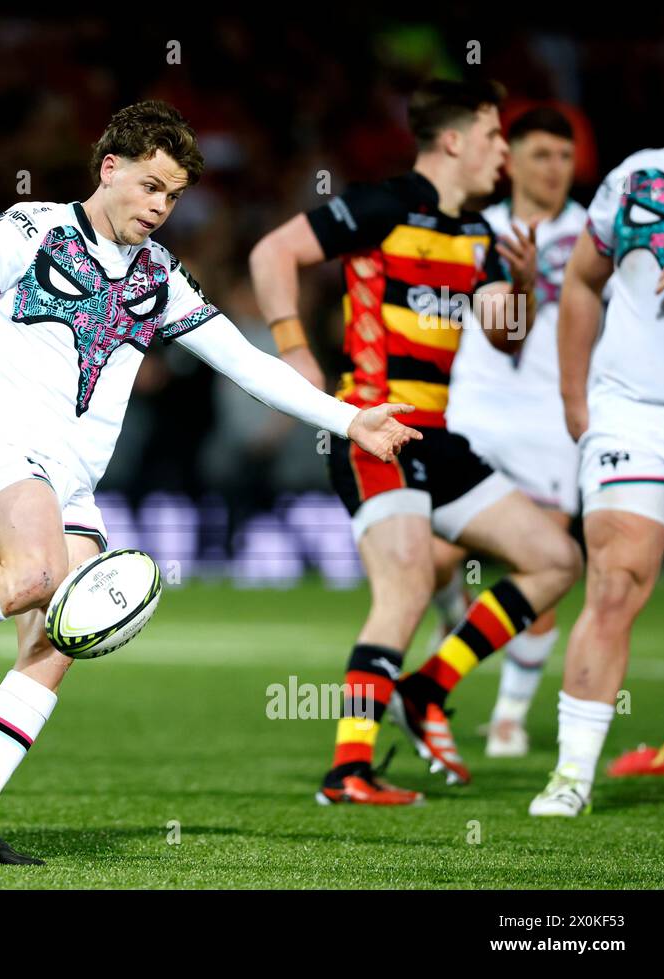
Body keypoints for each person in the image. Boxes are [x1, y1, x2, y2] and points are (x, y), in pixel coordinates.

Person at [0, 100, 420, 864]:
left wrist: (350, 419)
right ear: (108, 168)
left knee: (61, 637)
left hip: (72, 484)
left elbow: (247, 364)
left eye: (174, 195)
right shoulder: (27, 230)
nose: (160, 206)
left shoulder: (162, 279)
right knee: (37, 574)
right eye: (150, 185)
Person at [249, 79, 582, 805]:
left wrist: (521, 289)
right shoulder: (379, 205)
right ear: (456, 140)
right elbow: (272, 253)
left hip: (437, 438)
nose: (506, 154)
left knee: (556, 558)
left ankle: (428, 685)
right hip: (373, 429)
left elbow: (508, 335)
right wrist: (294, 350)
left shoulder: (485, 236)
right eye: (497, 137)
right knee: (403, 586)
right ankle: (348, 769)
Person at [529, 147, 664, 816]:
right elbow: (584, 281)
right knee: (615, 580)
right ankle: (572, 775)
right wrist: (574, 397)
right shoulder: (643, 175)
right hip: (633, 413)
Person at [444, 106, 588, 758]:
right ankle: (454, 619)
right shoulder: (474, 227)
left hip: (551, 418)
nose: (554, 169)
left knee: (546, 562)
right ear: (512, 161)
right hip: (470, 406)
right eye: (540, 155)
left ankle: (507, 715)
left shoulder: (597, 230)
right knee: (437, 557)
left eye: (564, 157)